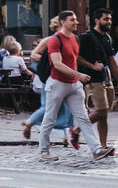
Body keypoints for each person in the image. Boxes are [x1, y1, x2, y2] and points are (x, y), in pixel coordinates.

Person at [39, 10, 112, 162]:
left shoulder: (75, 39)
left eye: (76, 20)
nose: (76, 22)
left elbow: (75, 60)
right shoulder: (55, 40)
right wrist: (79, 75)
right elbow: (58, 64)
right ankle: (44, 151)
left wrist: (91, 67)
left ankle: (96, 149)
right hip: (57, 83)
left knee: (84, 118)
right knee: (50, 118)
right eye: (72, 20)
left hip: (73, 85)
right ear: (62, 22)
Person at [23, 16, 78, 147]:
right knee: (49, 107)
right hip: (50, 77)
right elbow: (34, 54)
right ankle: (30, 122)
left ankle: (67, 135)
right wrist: (52, 59)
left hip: (65, 77)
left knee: (68, 108)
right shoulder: (50, 39)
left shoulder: (69, 40)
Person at [77, 9, 118, 150]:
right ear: (96, 20)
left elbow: (112, 60)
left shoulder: (107, 37)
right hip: (93, 79)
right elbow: (76, 57)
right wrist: (92, 66)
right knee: (101, 111)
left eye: (110, 19)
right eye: (105, 19)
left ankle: (103, 145)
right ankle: (76, 130)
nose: (109, 22)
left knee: (104, 114)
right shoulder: (86, 37)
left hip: (106, 79)